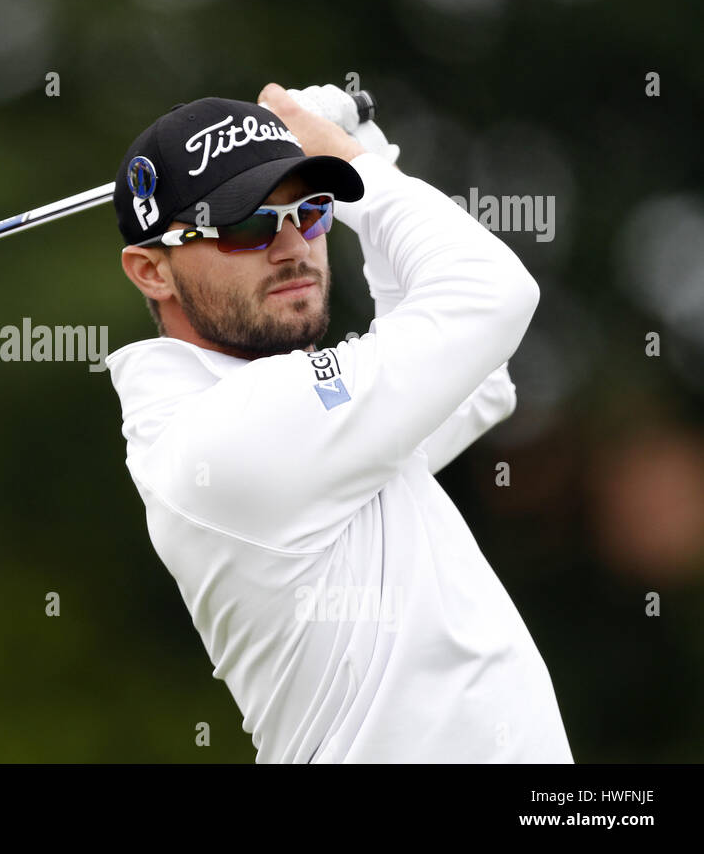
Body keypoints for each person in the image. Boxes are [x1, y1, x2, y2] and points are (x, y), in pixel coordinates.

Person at [104, 85, 572, 763]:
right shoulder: (221, 440)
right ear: (152, 271)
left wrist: (365, 152)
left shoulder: (291, 418)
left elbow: (477, 379)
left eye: (314, 211)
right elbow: (491, 296)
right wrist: (358, 161)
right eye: (244, 225)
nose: (294, 247)